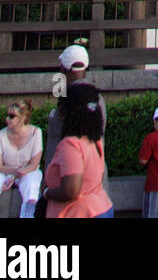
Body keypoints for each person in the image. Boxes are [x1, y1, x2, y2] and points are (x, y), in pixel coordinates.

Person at [43, 82, 112, 219]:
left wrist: (47, 192)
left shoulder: (70, 145)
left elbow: (71, 190)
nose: (60, 113)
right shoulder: (94, 139)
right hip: (101, 206)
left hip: (79, 212)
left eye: (62, 108)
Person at [44, 45, 107, 174]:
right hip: (94, 170)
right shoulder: (98, 97)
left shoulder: (69, 98)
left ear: (64, 69)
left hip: (69, 174)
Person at [0, 98, 42, 219]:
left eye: (12, 116)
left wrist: (16, 176)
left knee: (31, 185)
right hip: (5, 170)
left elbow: (34, 164)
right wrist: (13, 174)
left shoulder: (36, 132)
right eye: (7, 115)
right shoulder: (1, 135)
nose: (7, 119)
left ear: (22, 119)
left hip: (28, 170)